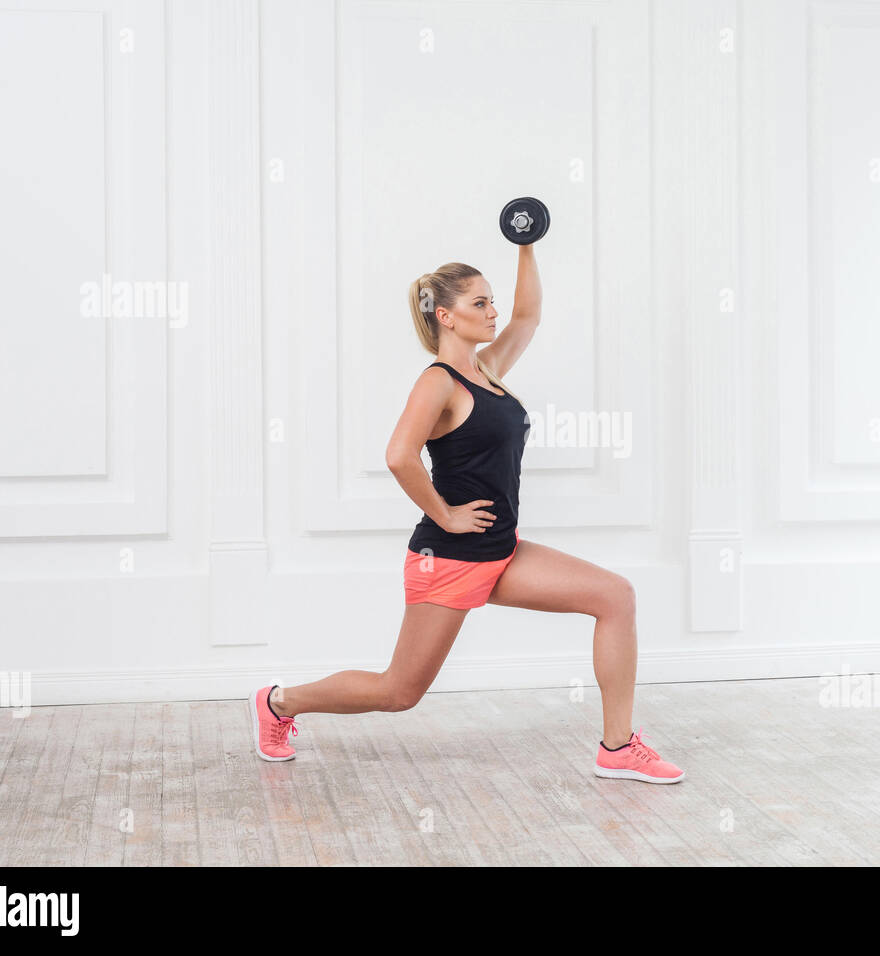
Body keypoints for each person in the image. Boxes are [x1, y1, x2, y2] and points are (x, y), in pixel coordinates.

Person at [249, 243, 682, 784]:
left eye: (492, 301)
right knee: (398, 692)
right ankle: (279, 703)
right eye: (480, 303)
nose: (493, 312)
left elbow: (528, 316)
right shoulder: (438, 382)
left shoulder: (488, 370)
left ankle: (617, 747)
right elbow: (398, 455)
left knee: (615, 596)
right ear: (446, 317)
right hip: (449, 557)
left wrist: (527, 242)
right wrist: (447, 515)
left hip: (501, 551)